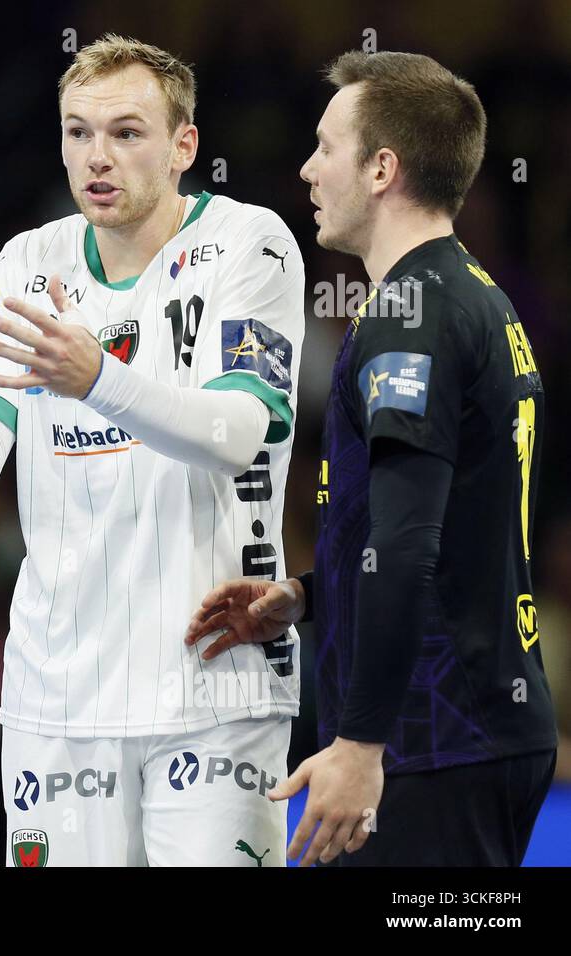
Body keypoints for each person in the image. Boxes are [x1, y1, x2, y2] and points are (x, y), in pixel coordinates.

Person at [0, 35, 306, 865]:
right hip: (57, 697)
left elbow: (240, 433)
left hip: (215, 684)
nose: (98, 157)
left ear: (183, 145)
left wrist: (98, 379)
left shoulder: (251, 245)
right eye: (78, 132)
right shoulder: (28, 259)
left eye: (126, 132)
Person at [185, 51, 557, 866]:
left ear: (383, 167)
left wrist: (360, 743)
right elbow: (453, 527)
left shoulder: (410, 317)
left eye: (327, 146)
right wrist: (308, 594)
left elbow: (409, 543)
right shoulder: (472, 296)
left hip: (434, 741)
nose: (307, 168)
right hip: (472, 728)